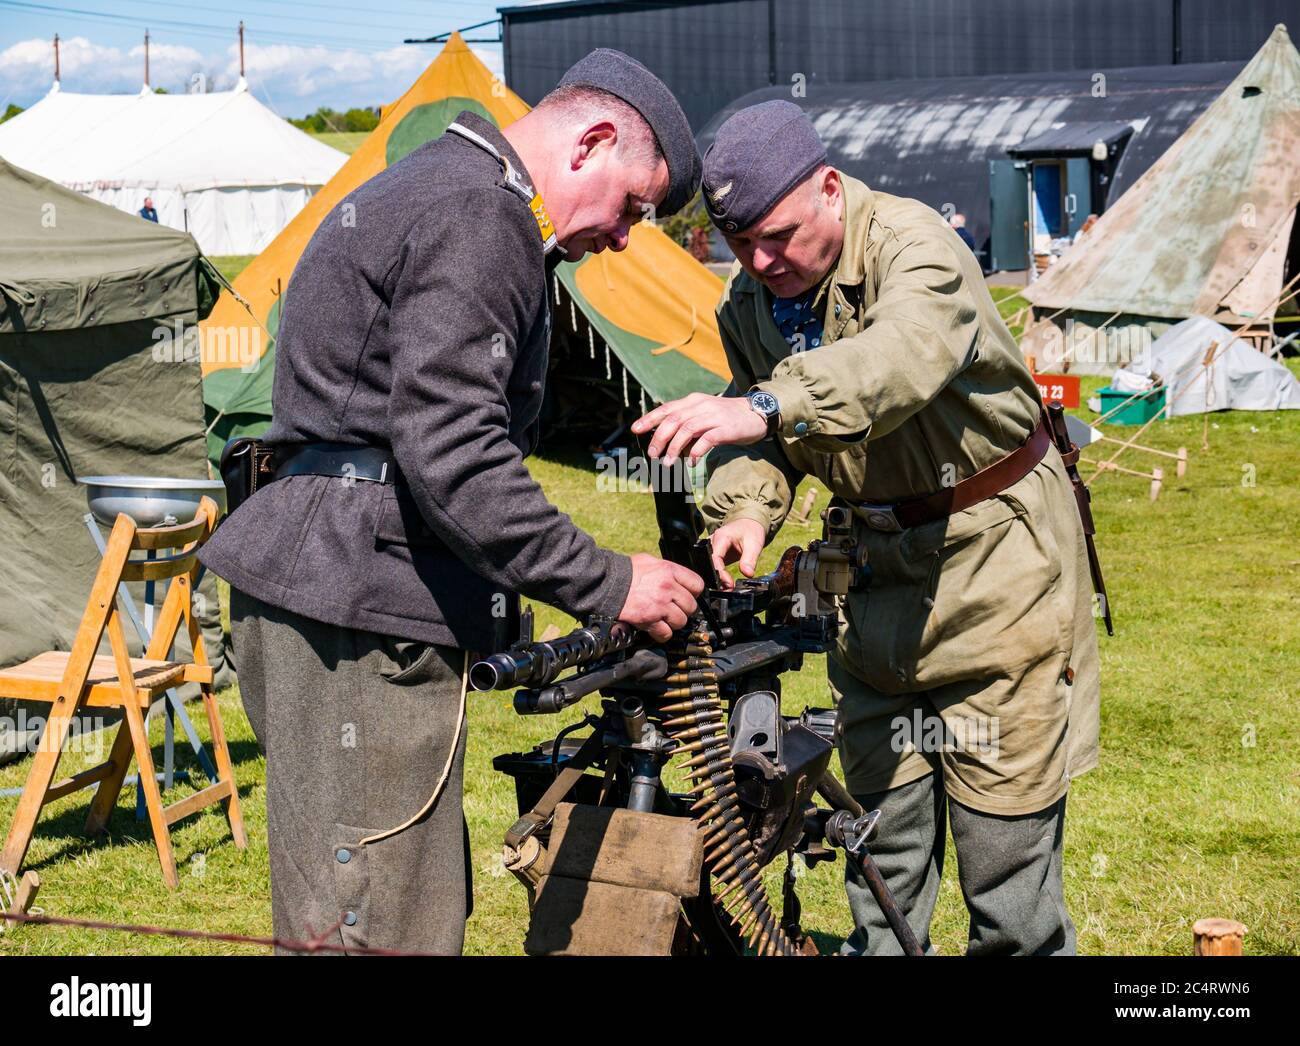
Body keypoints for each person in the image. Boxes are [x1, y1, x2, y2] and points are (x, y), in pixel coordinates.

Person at [199, 49, 705, 955]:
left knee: (375, 898)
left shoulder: (435, 185)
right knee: (377, 922)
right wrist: (606, 580)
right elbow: (454, 448)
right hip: (358, 606)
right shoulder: (480, 213)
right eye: (634, 205)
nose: (628, 236)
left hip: (334, 584)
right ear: (591, 141)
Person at [632, 100, 1101, 956]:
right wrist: (744, 509)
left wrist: (769, 402)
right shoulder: (754, 303)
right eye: (740, 245)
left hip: (997, 577)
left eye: (776, 236)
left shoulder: (914, 246)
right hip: (874, 591)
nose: (760, 262)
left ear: (832, 190)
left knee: (1005, 865)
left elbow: (901, 357)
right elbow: (768, 439)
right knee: (881, 841)